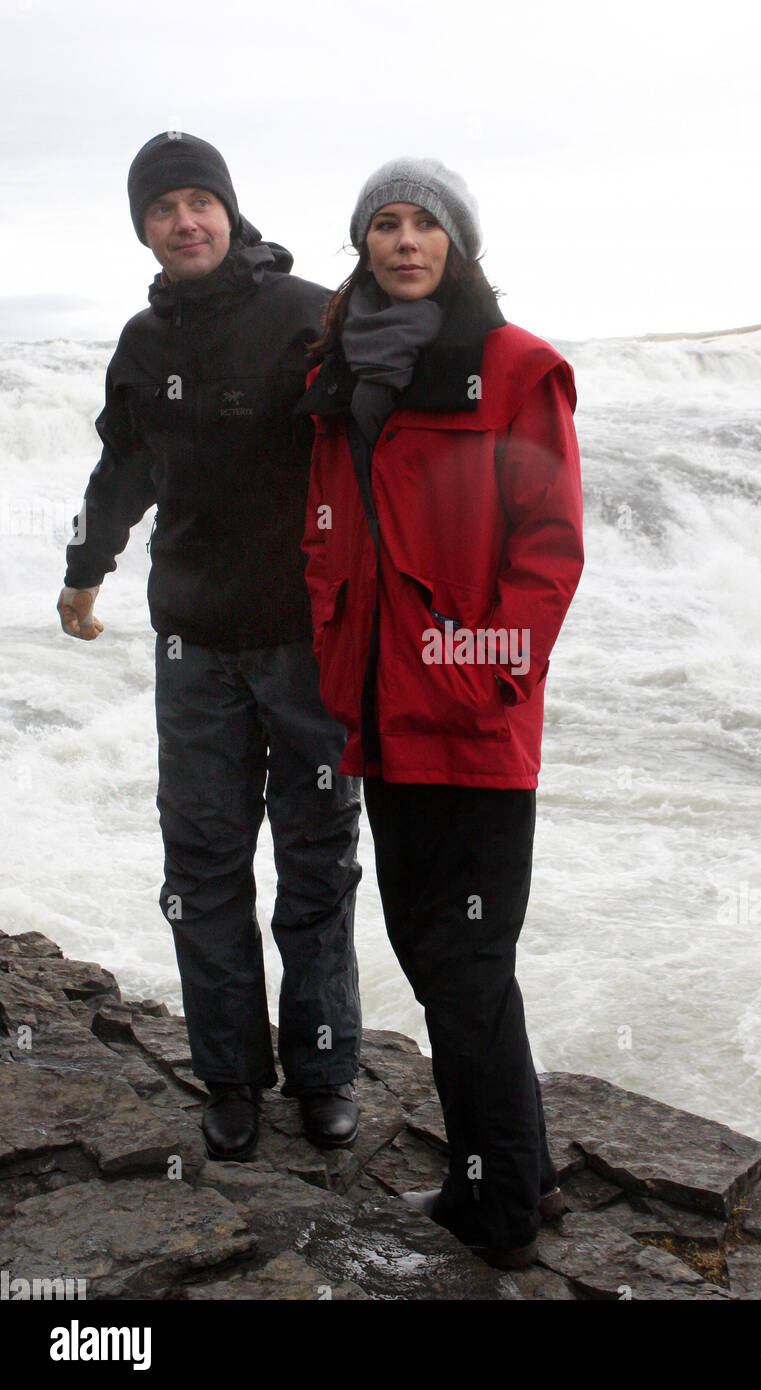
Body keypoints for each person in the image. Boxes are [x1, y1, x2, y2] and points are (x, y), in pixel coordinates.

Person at [299, 157, 584, 1267]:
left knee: (462, 967)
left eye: (425, 225)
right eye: (384, 223)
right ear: (362, 242)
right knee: (440, 961)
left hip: (469, 727)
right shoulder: (341, 378)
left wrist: (479, 676)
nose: (404, 242)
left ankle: (500, 1212)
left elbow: (548, 551)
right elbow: (331, 538)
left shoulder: (516, 369)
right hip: (379, 720)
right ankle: (513, 1175)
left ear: (457, 245)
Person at [57, 132, 362, 1162]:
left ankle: (323, 1074)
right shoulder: (143, 344)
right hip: (192, 647)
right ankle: (232, 1077)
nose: (183, 221)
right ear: (144, 227)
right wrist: (85, 567)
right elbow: (122, 468)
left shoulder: (308, 317)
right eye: (161, 209)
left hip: (305, 645)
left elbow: (389, 436)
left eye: (199, 201)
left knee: (316, 865)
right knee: (201, 865)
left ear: (229, 210)